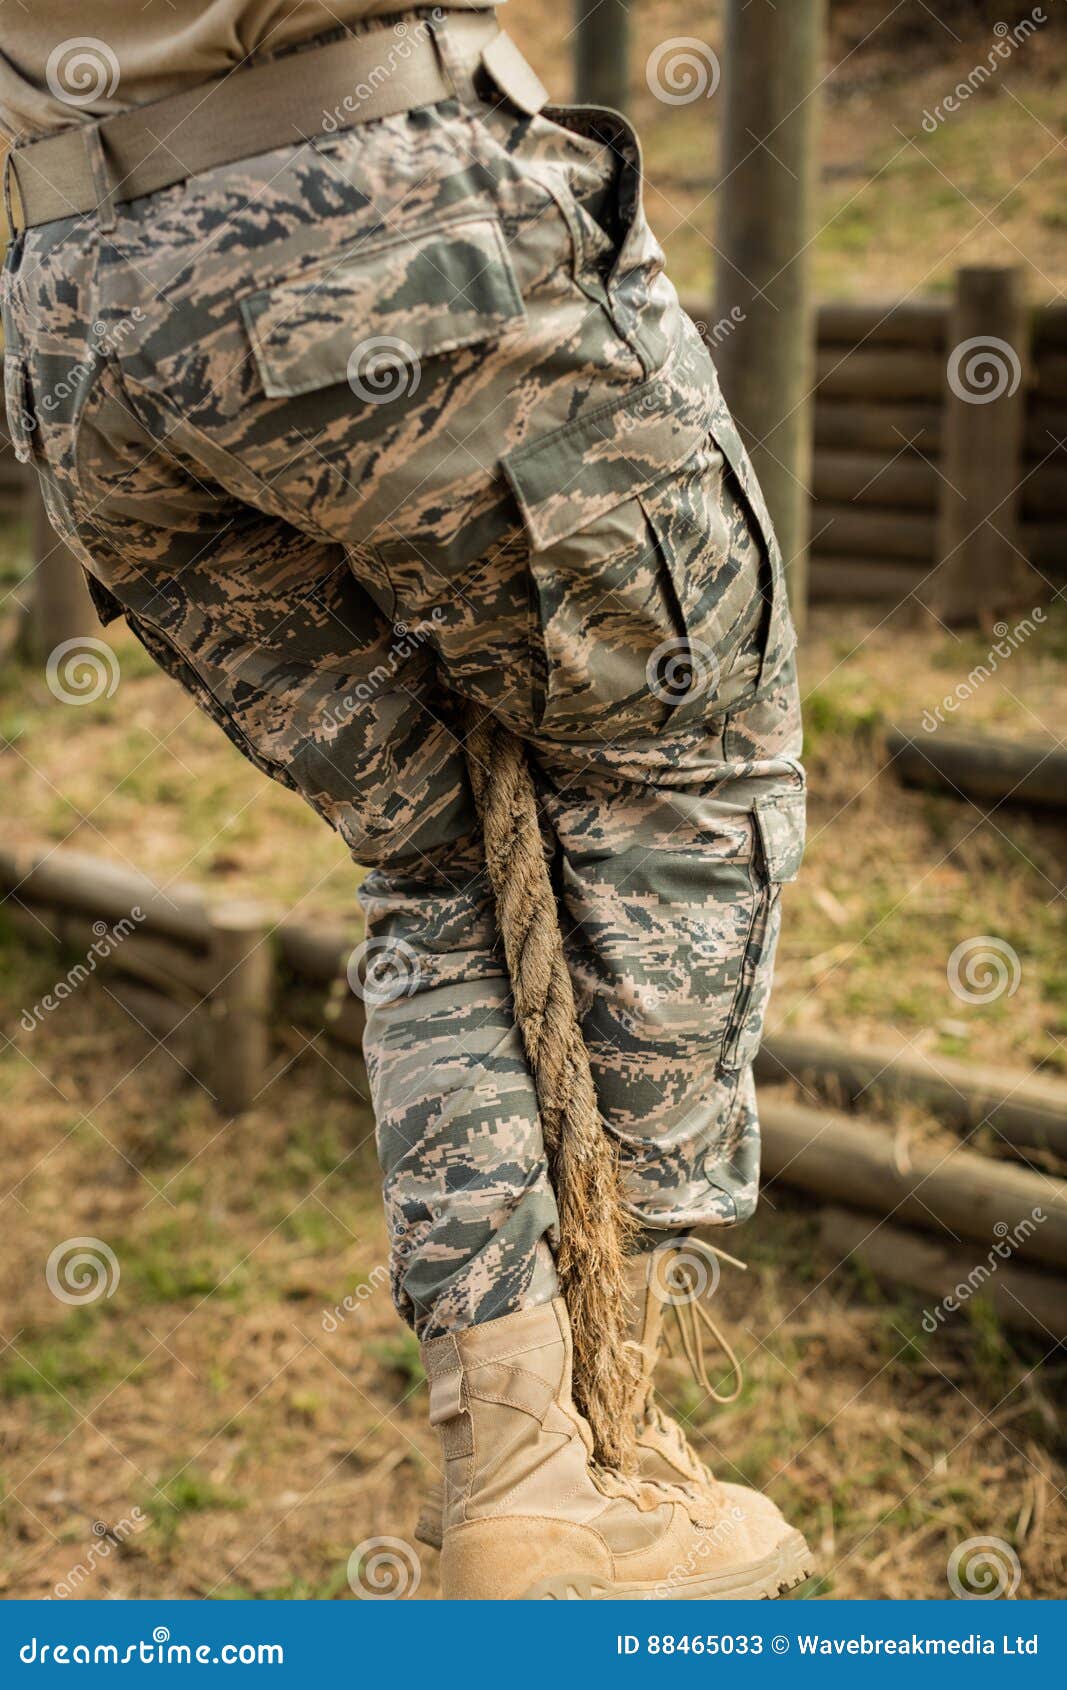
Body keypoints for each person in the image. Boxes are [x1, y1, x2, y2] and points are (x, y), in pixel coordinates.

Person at [1, 2, 810, 1599]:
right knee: (684, 757)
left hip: (79, 312)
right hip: (374, 228)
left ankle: (523, 1477)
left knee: (434, 861)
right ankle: (619, 1393)